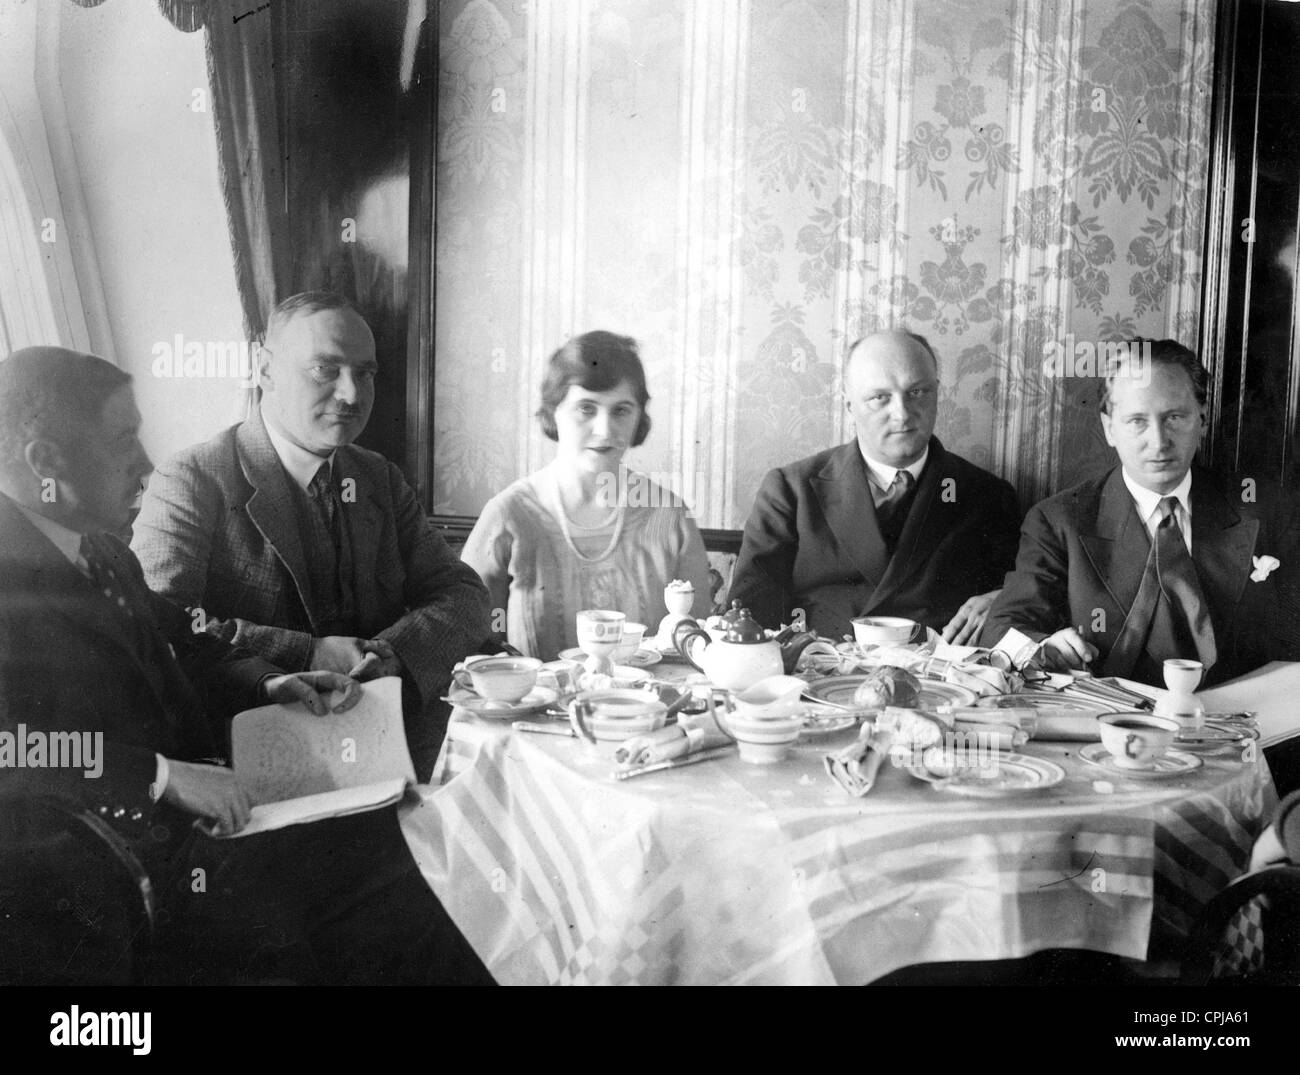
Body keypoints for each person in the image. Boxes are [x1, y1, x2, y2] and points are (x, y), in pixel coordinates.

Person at [0, 346, 492, 984]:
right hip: (104, 883)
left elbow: (189, 638)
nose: (145, 466)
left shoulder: (100, 551)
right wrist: (159, 775)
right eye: (123, 441)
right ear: (46, 463)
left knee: (424, 862)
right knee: (396, 898)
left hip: (208, 825)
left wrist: (270, 678)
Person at [132, 292, 490, 780]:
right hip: (257, 761)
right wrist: (307, 654)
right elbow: (161, 632)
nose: (351, 394)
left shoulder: (377, 477)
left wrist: (396, 652)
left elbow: (463, 592)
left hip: (389, 745)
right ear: (264, 369)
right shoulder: (193, 480)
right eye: (325, 369)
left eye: (365, 373)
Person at [981, 338, 1300, 686]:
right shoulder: (1059, 522)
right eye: (1136, 421)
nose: (1159, 441)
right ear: (1109, 428)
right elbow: (1004, 626)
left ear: (1203, 419)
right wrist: (1044, 646)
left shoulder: (1266, 509)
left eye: (1175, 417)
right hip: (1111, 724)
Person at [729, 330, 1021, 641]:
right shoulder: (790, 491)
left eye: (918, 392)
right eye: (879, 397)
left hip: (940, 681)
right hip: (817, 674)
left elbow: (1023, 603)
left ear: (937, 393)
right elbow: (751, 610)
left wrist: (1001, 599)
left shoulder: (989, 496)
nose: (902, 414)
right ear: (849, 405)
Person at [461, 331, 712, 660]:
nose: (605, 430)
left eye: (621, 411)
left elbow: (699, 642)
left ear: (639, 418)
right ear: (554, 413)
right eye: (586, 409)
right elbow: (473, 640)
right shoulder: (509, 516)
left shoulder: (669, 516)